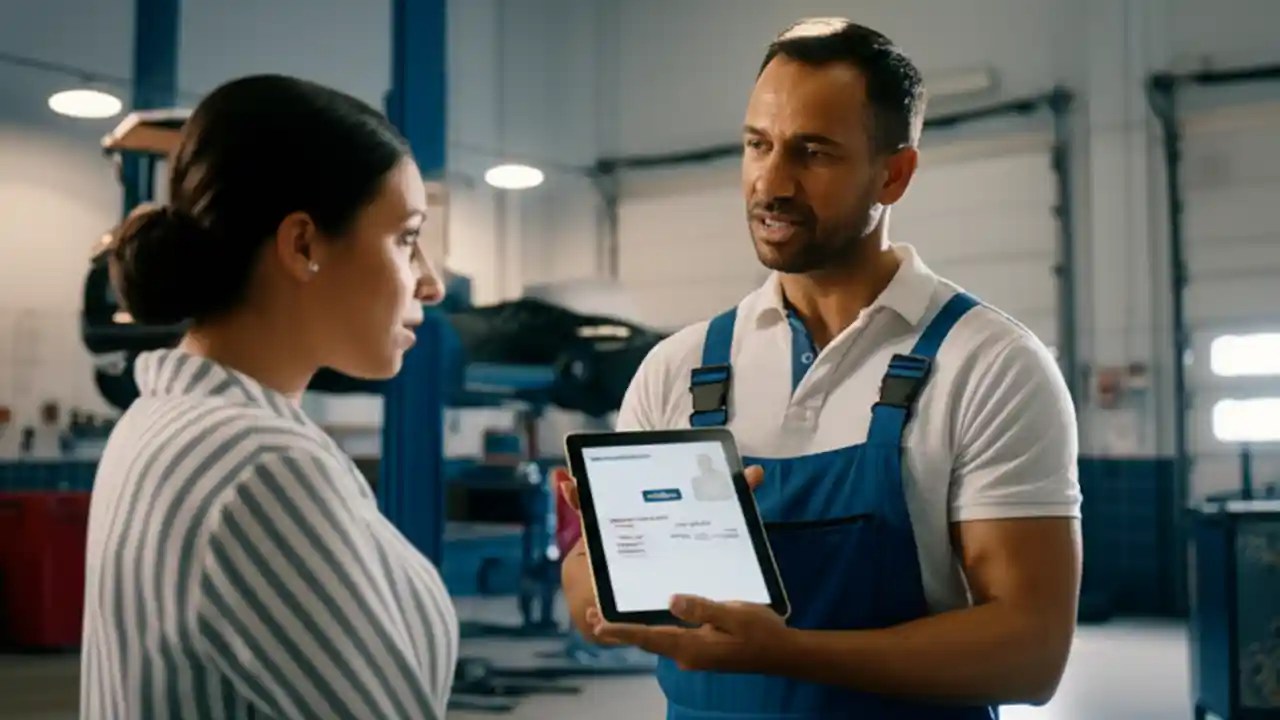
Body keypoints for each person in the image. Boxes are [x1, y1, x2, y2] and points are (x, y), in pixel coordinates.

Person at [560, 18, 1081, 719]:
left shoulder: (989, 366)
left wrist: (785, 652)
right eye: (757, 145)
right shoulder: (678, 369)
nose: (771, 182)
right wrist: (608, 568)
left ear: (893, 174)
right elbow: (587, 583)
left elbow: (1029, 651)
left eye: (812, 152)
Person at [81, 74, 458, 720]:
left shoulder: (159, 418)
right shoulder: (259, 469)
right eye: (406, 239)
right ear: (303, 245)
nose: (432, 283)